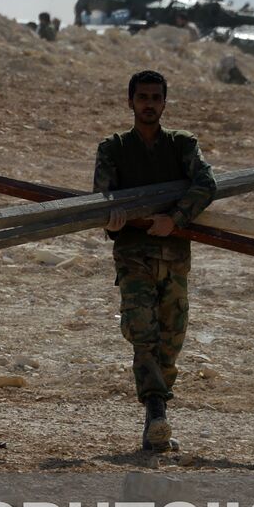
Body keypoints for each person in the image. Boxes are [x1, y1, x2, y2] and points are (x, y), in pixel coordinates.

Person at [94, 70, 216, 452]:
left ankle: (157, 413)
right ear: (129, 102)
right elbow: (102, 199)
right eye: (142, 97)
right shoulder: (113, 148)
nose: (149, 104)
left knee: (172, 339)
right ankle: (156, 411)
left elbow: (206, 184)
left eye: (155, 97)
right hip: (134, 257)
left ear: (164, 103)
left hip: (175, 258)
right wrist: (113, 220)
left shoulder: (182, 145)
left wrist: (175, 219)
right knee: (142, 334)